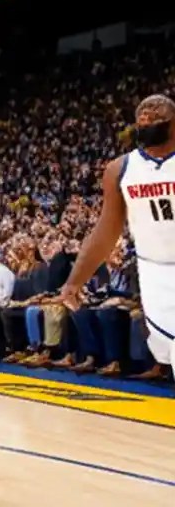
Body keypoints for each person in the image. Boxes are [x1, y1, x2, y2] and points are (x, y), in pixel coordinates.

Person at [62, 93, 174, 385]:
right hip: (154, 271)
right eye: (142, 115)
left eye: (155, 113)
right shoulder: (120, 169)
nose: (147, 116)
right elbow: (105, 231)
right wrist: (75, 280)